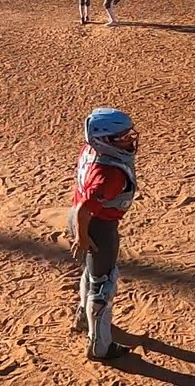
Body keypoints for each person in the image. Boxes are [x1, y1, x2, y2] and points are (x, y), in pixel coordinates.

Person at [68, 107, 138, 361]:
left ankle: (83, 319)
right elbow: (86, 209)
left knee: (92, 272)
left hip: (85, 220)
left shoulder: (91, 151)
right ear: (105, 140)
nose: (129, 140)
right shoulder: (111, 174)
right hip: (98, 226)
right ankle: (100, 347)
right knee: (103, 285)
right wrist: (83, 237)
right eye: (122, 137)